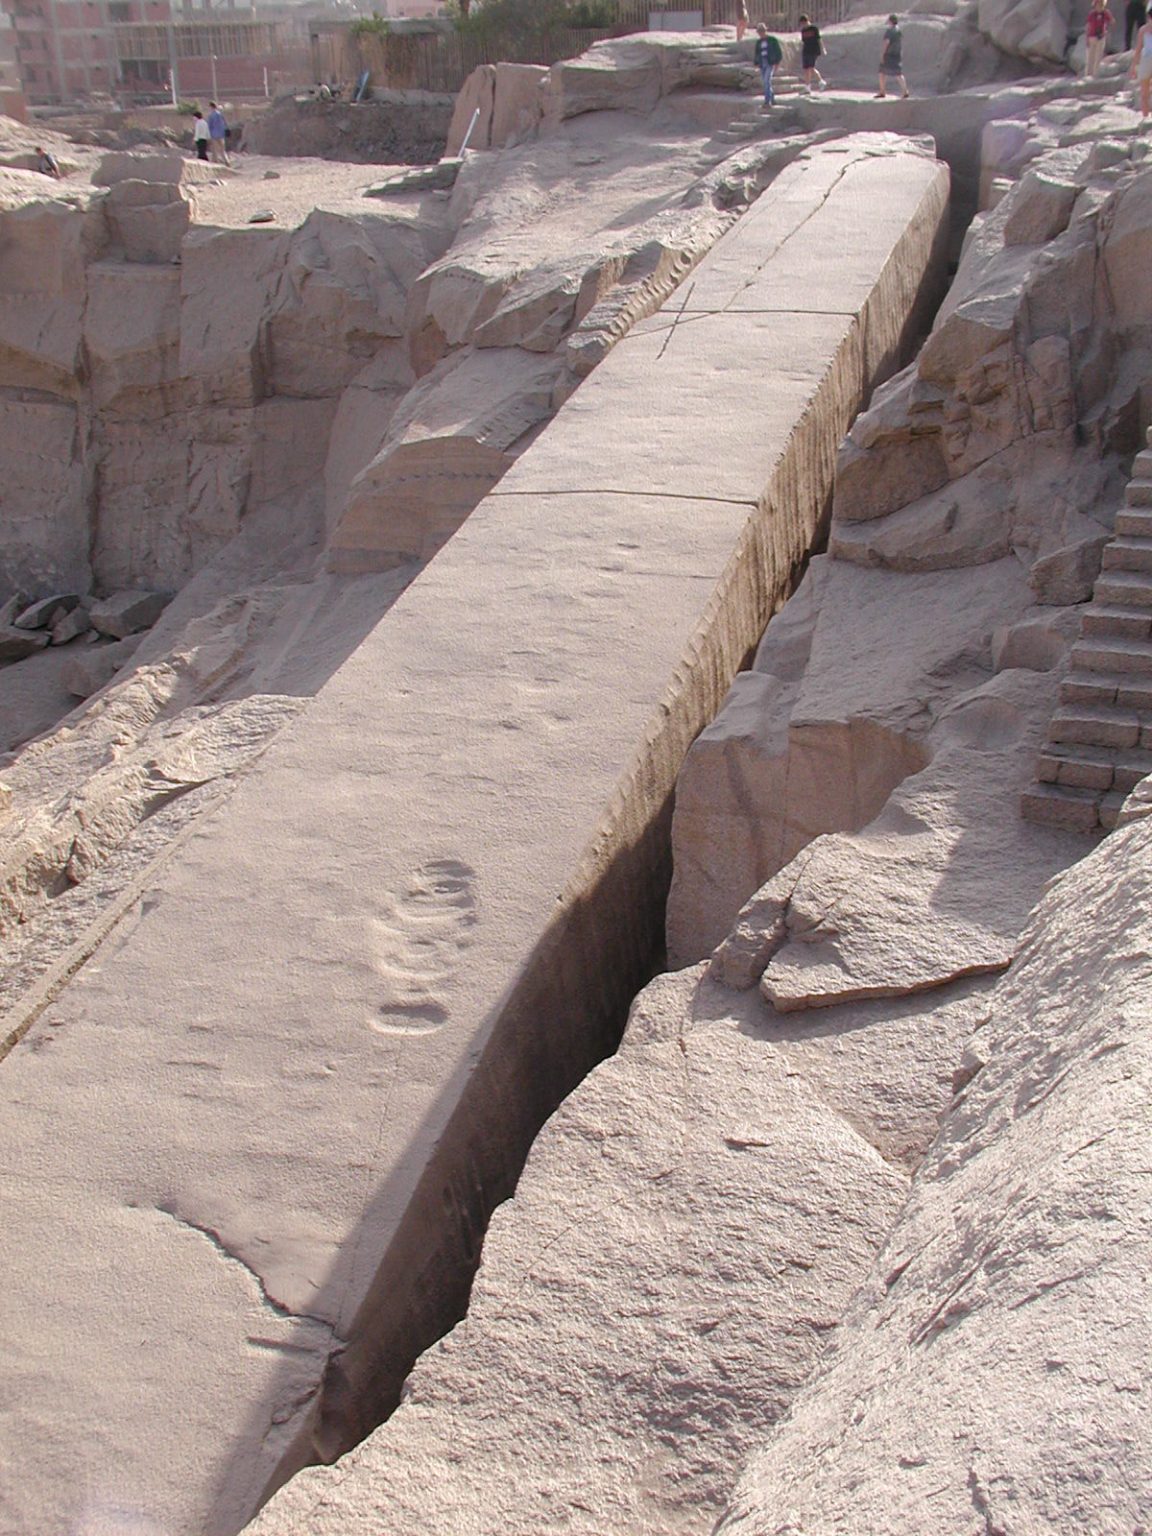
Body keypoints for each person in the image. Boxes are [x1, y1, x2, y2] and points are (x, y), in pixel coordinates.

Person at [875, 13, 910, 97]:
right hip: (897, 54)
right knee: (898, 74)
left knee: (881, 73)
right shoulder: (899, 30)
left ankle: (882, 91)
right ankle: (905, 91)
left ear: (890, 21)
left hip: (889, 55)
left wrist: (882, 54)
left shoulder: (890, 31)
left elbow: (886, 43)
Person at [754, 22, 783, 106]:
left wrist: (777, 62)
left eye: (762, 31)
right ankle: (772, 98)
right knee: (765, 82)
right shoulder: (758, 42)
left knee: (767, 81)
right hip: (762, 63)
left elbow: (778, 52)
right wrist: (756, 63)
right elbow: (757, 53)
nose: (761, 33)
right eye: (759, 32)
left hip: (770, 63)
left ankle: (767, 101)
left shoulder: (772, 40)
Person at [1084, 0, 1114, 75]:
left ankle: (1096, 74)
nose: (1099, 6)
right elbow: (1088, 26)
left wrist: (1107, 29)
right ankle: (1088, 73)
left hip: (1101, 37)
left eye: (1101, 4)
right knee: (1090, 56)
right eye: (1097, 4)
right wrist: (1087, 38)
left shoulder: (1105, 13)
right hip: (1092, 36)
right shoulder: (1092, 14)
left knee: (1098, 56)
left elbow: (1112, 21)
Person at [798, 14, 826, 90]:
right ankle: (808, 86)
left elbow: (819, 39)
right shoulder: (803, 31)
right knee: (806, 69)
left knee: (811, 68)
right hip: (806, 51)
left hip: (814, 50)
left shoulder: (814, 29)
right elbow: (803, 41)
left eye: (803, 23)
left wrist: (823, 49)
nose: (803, 25)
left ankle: (820, 82)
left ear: (806, 21)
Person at [1131, 11, 1152, 114]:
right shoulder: (1143, 30)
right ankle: (1145, 116)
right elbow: (1138, 49)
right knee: (1144, 93)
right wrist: (1134, 66)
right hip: (1146, 61)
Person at [206, 100, 230, 166]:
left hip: (214, 135)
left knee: (214, 150)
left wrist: (208, 135)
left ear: (211, 107)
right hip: (221, 135)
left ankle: (215, 163)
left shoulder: (211, 116)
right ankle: (227, 161)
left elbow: (209, 126)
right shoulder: (220, 114)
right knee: (222, 150)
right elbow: (225, 124)